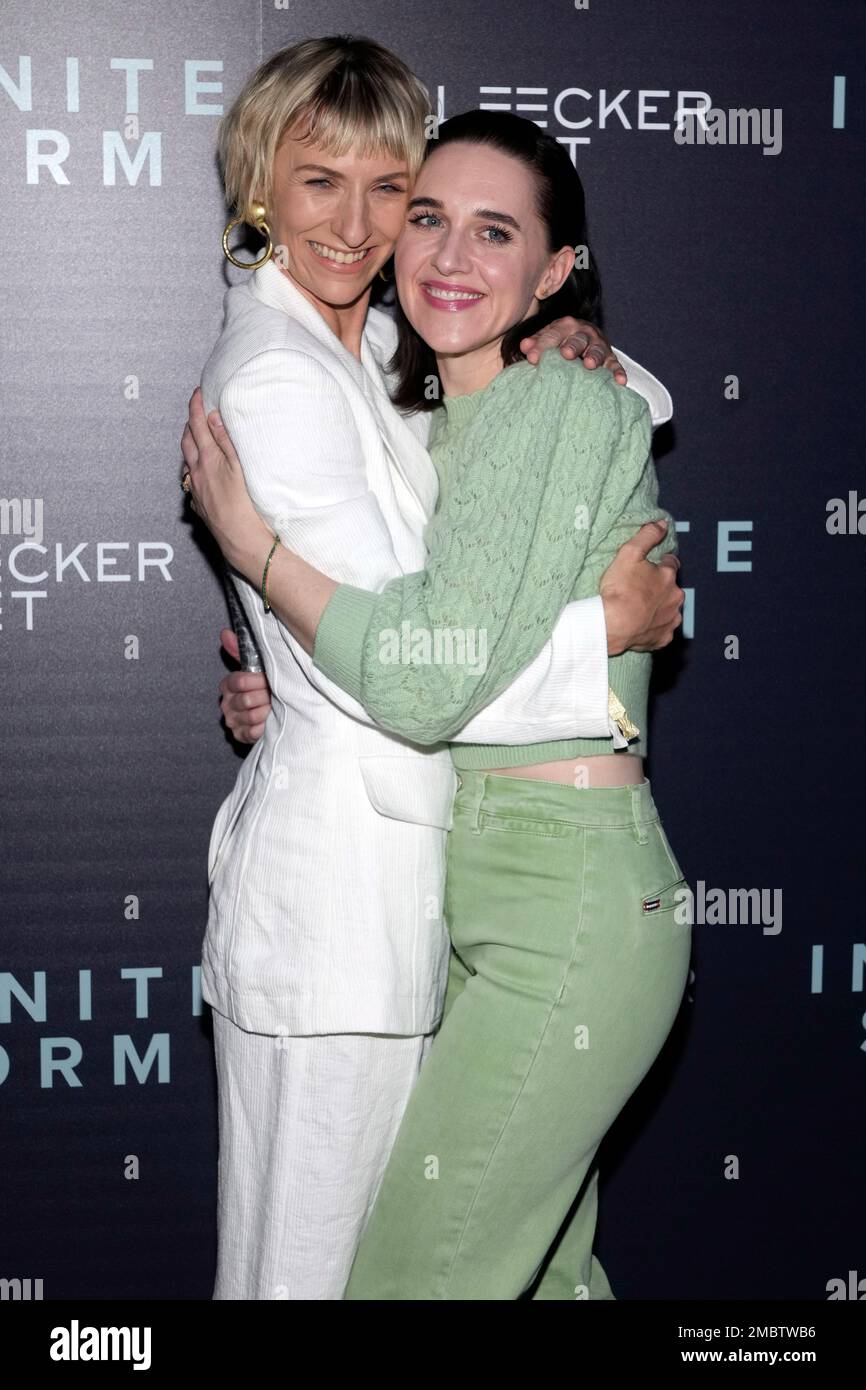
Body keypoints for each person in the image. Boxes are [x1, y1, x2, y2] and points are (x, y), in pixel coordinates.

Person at [182, 40, 683, 1301]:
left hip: (461, 896)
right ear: (260, 189)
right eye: (317, 184)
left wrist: (576, 344)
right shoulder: (286, 373)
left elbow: (579, 419)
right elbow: (403, 670)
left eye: (384, 191)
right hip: (345, 917)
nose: (358, 228)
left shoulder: (375, 349)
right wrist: (599, 633)